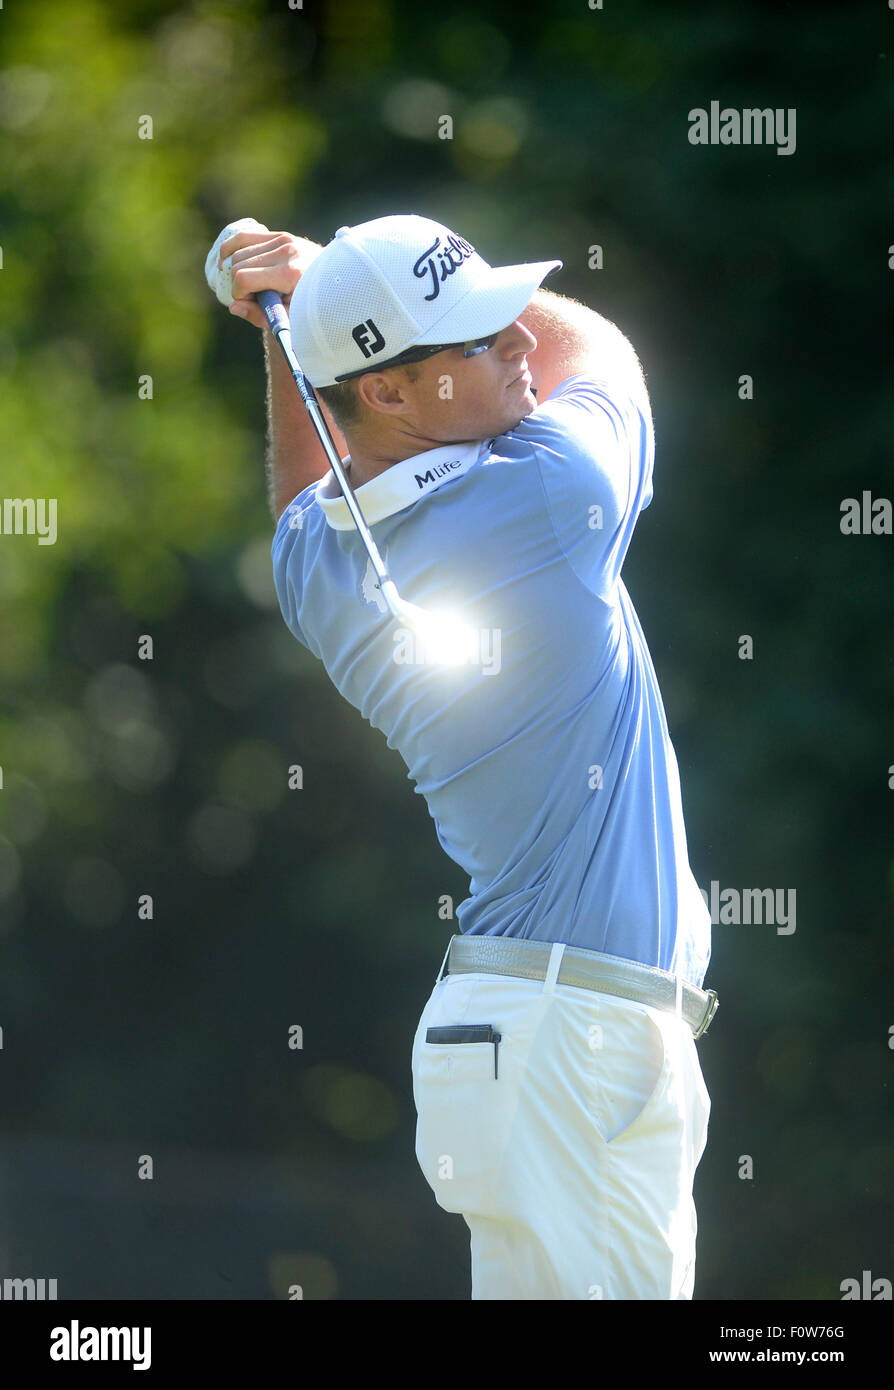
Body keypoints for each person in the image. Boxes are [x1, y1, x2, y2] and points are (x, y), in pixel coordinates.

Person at [213, 212, 718, 1300]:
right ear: (389, 394)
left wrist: (302, 322)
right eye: (482, 338)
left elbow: (311, 488)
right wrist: (312, 293)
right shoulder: (545, 494)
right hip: (572, 1038)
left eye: (506, 323)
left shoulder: (316, 564)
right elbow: (610, 354)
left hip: (541, 1031)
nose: (521, 344)